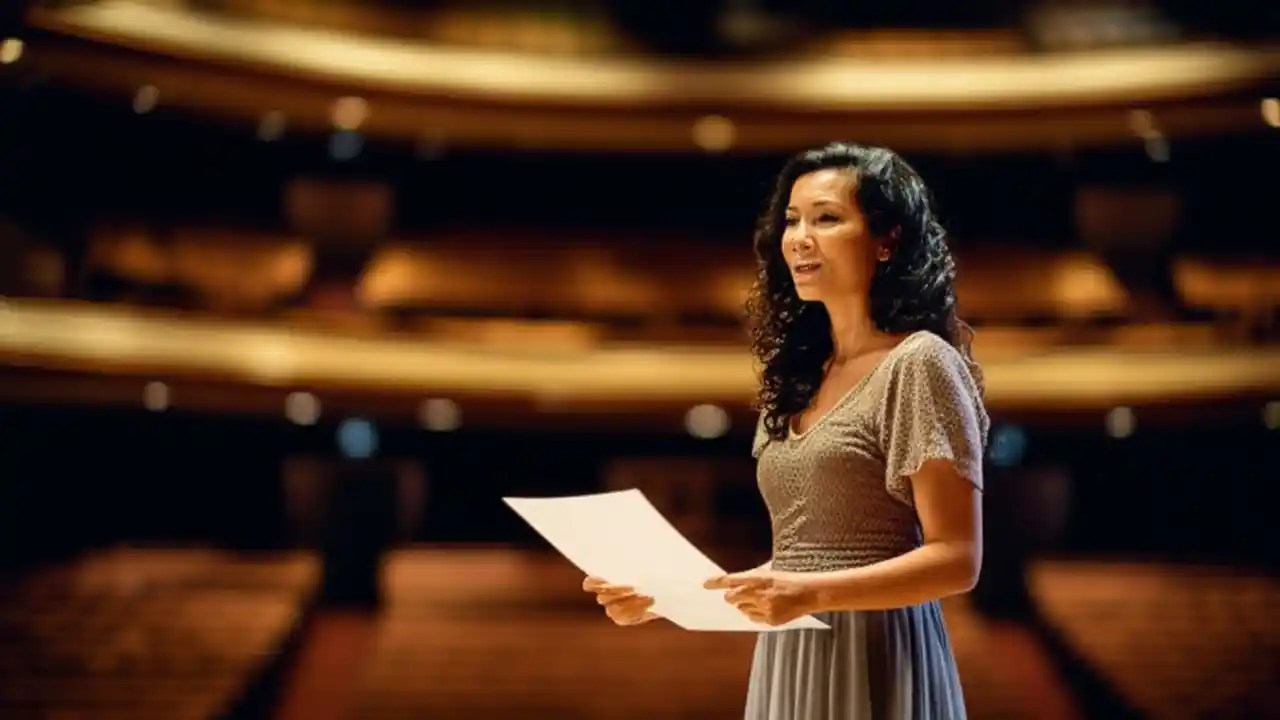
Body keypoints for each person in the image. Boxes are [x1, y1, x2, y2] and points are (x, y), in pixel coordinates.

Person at [584, 142, 989, 719]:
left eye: (826, 218)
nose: (800, 236)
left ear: (886, 240)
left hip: (875, 652)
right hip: (792, 650)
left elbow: (957, 559)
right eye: (792, 220)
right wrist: (666, 598)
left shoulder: (920, 363)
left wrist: (811, 594)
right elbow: (800, 561)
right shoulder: (802, 376)